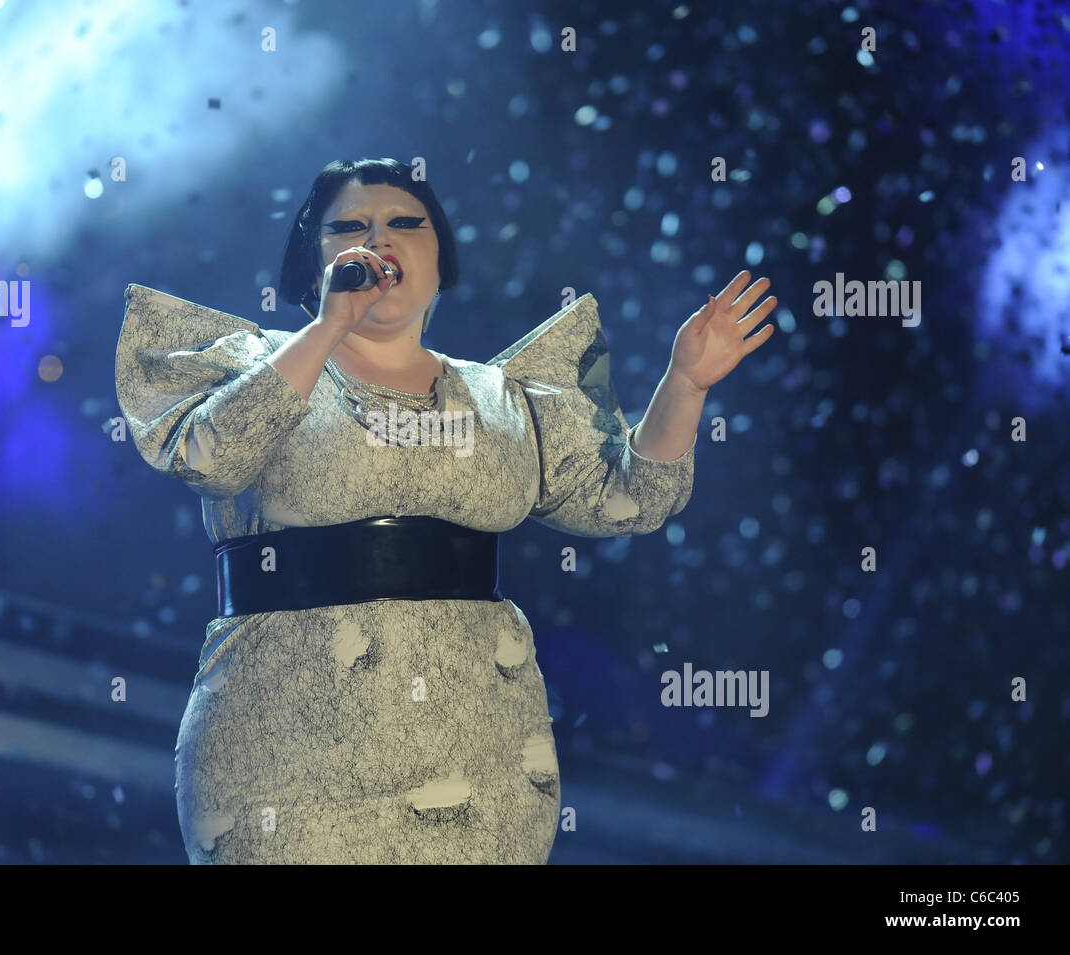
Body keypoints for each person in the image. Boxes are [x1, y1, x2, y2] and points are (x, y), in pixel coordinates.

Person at [114, 157, 776, 864]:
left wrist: (685, 383)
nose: (381, 238)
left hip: (482, 758)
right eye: (351, 226)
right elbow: (212, 456)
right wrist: (332, 326)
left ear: (441, 263)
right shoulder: (258, 365)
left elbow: (629, 497)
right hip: (287, 752)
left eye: (407, 223)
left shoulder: (504, 398)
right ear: (313, 267)